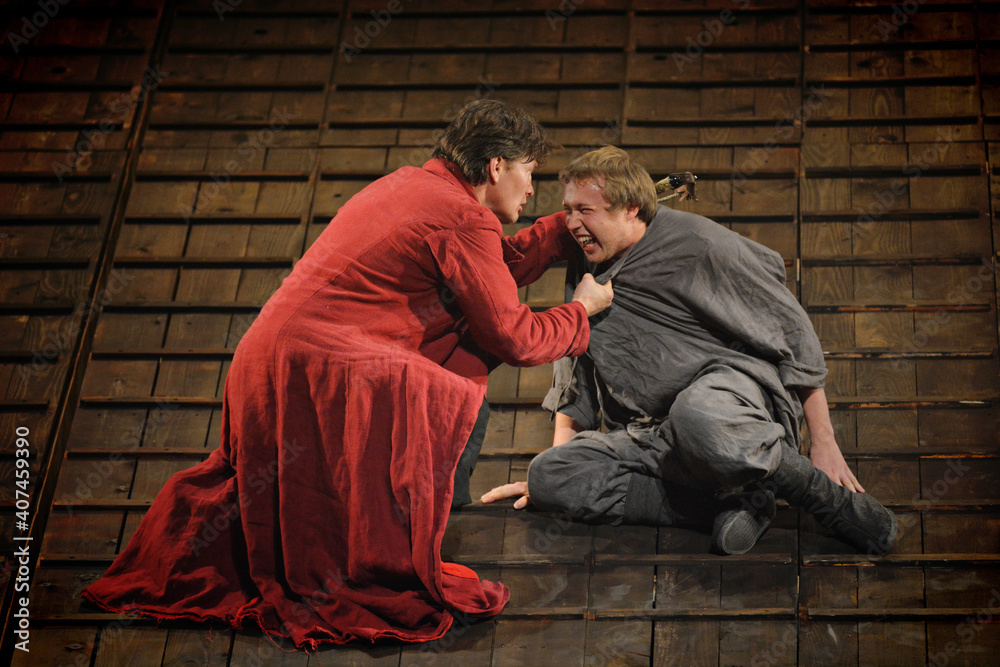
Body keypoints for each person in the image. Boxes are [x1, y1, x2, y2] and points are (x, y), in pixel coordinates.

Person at [82, 100, 614, 648]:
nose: (531, 190)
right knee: (450, 391)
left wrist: (558, 232)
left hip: (268, 361)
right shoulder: (461, 214)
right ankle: (388, 560)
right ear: (497, 166)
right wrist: (581, 312)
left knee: (283, 496)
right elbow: (514, 335)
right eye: (530, 171)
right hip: (319, 368)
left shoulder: (411, 185)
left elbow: (487, 271)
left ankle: (390, 548)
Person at [482, 146, 897, 557]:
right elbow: (577, 373)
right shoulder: (587, 259)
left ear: (630, 209)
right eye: (568, 209)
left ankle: (829, 501)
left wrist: (823, 442)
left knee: (697, 415)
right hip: (654, 435)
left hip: (730, 416)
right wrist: (558, 474)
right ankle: (732, 503)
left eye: (585, 210)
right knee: (550, 475)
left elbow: (793, 333)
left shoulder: (701, 245)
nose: (571, 223)